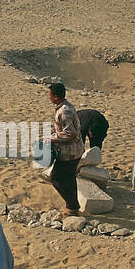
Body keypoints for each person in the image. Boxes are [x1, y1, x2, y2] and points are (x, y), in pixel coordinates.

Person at [47, 82, 84, 216]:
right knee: (69, 178)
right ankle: (73, 207)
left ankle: (72, 206)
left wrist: (51, 138)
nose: (49, 97)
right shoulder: (64, 106)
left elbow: (70, 133)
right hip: (74, 150)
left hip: (70, 153)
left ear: (56, 97)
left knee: (55, 178)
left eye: (50, 95)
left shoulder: (65, 111)